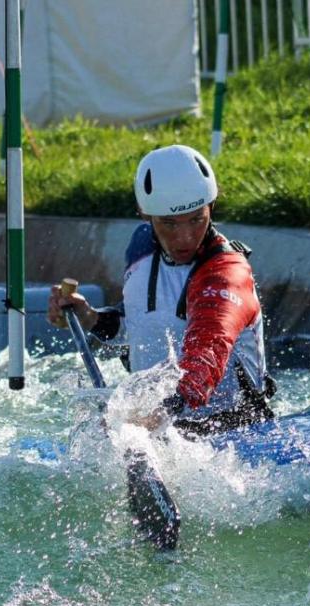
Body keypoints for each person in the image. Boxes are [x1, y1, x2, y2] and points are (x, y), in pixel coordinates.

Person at [48, 144, 275, 434]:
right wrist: (89, 318)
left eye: (196, 219)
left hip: (229, 436)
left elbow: (209, 348)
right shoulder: (141, 248)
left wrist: (159, 414)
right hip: (158, 431)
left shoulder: (227, 273)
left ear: (212, 207)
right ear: (146, 215)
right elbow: (140, 326)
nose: (185, 237)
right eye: (169, 224)